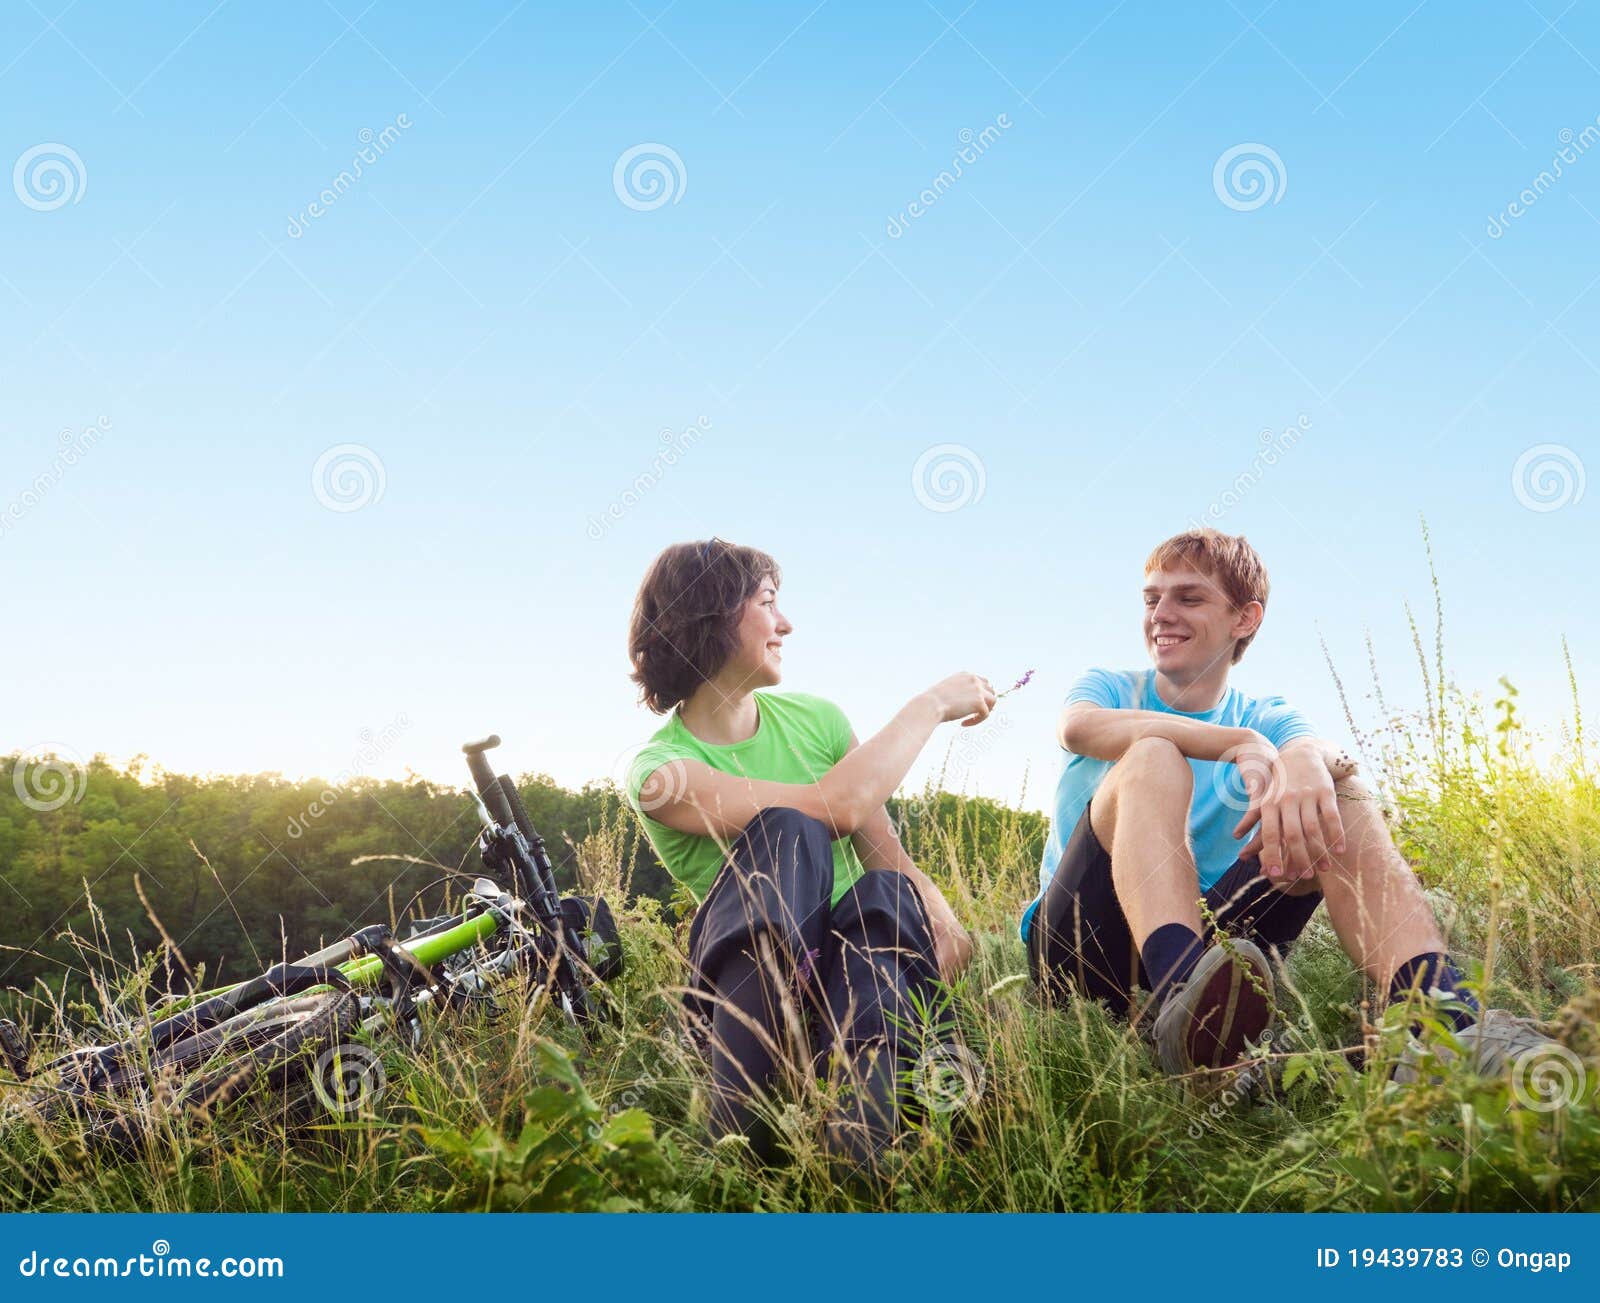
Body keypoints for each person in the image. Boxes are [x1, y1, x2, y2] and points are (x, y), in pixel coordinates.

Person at [1024, 526, 1557, 1084]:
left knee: (1340, 793)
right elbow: (1078, 727)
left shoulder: (1268, 715)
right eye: (1152, 598)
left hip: (1215, 953)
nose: (1161, 614)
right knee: (1155, 753)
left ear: (1244, 618)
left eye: (1189, 598)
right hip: (1081, 947)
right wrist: (1237, 743)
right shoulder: (1110, 687)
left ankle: (1448, 1026)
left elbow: (1329, 755)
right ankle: (1185, 1005)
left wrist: (1305, 757)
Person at [624, 538, 993, 1165]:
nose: (786, 624)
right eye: (768, 603)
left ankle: (861, 1138)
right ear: (711, 616)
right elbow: (837, 808)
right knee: (790, 829)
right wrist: (929, 705)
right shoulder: (662, 772)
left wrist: (937, 911)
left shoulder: (818, 720)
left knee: (886, 895)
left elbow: (886, 856)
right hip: (757, 1001)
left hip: (860, 980)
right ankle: (737, 1120)